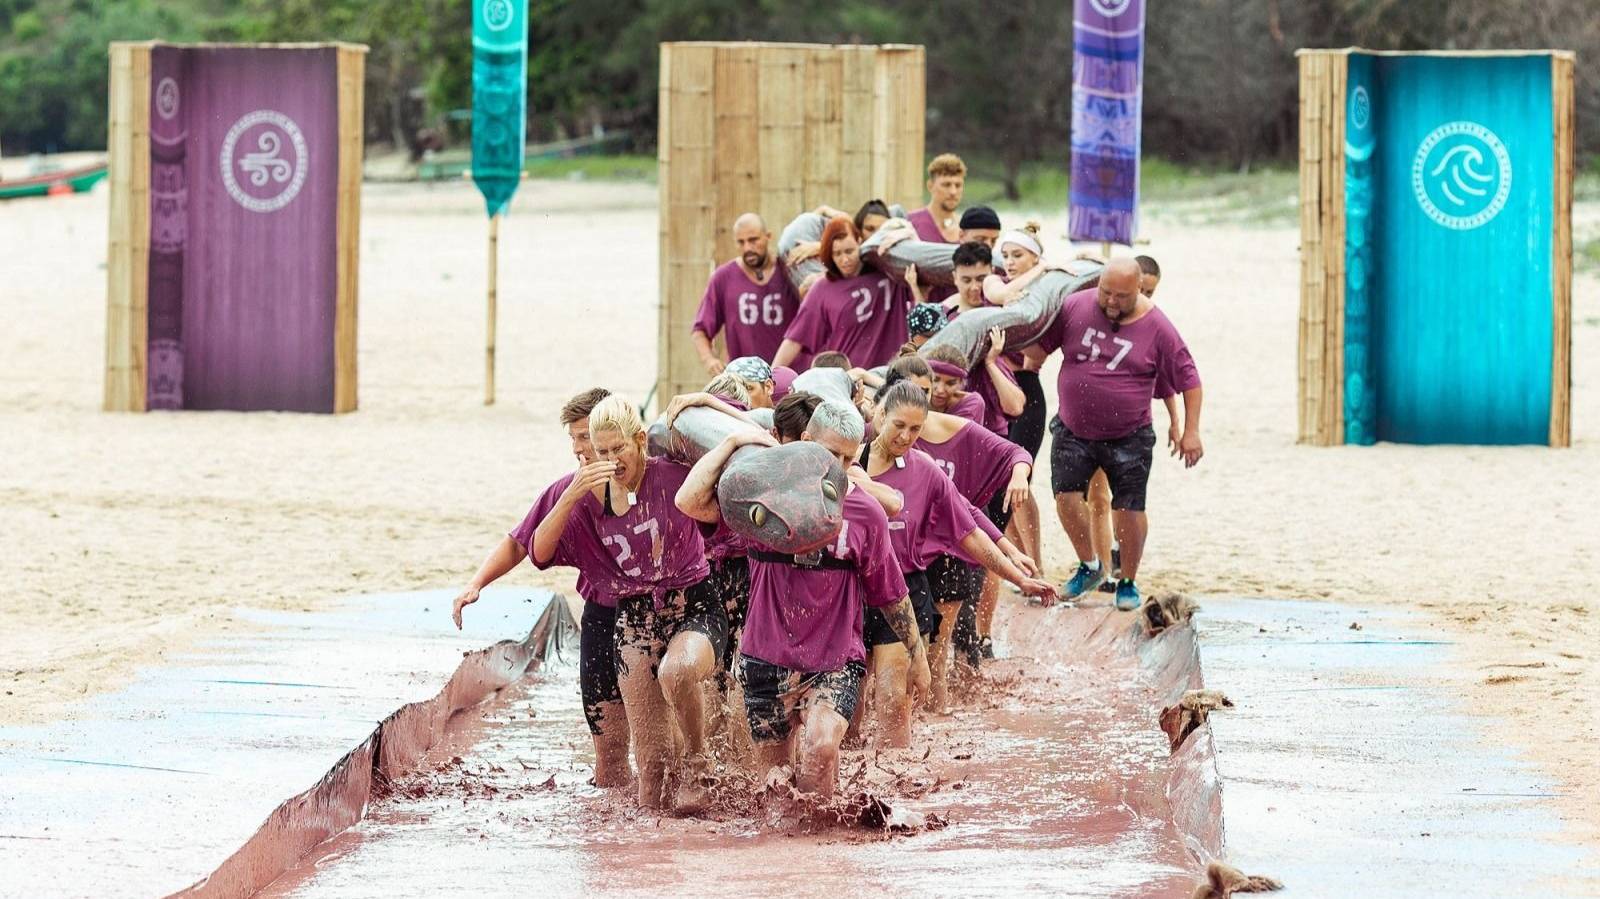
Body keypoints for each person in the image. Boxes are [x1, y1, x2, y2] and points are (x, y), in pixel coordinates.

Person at [675, 402, 926, 801]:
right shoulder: (762, 502)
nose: (840, 466)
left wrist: (919, 658)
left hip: (836, 660)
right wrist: (735, 440)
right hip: (765, 660)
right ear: (805, 442)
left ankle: (824, 858)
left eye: (849, 456)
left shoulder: (864, 512)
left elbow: (891, 593)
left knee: (821, 748)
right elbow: (689, 502)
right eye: (830, 454)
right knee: (775, 787)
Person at [523, 396, 729, 814]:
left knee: (679, 670)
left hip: (693, 604)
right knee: (651, 767)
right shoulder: (583, 493)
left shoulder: (671, 476)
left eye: (620, 449)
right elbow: (538, 553)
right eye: (602, 452)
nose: (612, 460)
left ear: (639, 441)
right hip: (633, 619)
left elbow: (720, 502)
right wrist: (570, 495)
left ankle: (697, 758)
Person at [451, 388, 632, 788]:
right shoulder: (568, 489)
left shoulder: (653, 480)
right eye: (574, 439)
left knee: (660, 741)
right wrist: (476, 583)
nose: (578, 449)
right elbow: (522, 543)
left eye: (585, 437)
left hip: (655, 613)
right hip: (601, 616)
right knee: (608, 753)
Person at [859, 382, 1055, 746]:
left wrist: (1018, 577)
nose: (906, 436)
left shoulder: (925, 470)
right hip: (852, 595)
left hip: (903, 594)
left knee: (892, 703)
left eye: (916, 429)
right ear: (879, 415)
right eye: (899, 425)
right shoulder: (847, 462)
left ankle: (898, 795)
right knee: (852, 719)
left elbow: (969, 528)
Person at [1036, 258, 1204, 611]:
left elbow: (1190, 379)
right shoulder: (1075, 306)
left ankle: (1127, 578)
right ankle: (1090, 565)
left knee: (1128, 509)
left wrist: (1190, 430)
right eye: (1106, 292)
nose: (1111, 301)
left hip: (1129, 434)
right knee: (1066, 499)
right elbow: (1040, 346)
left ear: (1139, 290)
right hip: (1072, 428)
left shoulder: (1158, 326)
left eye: (1121, 296)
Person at [912, 391, 1035, 698]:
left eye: (914, 428)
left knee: (938, 659)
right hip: (905, 564)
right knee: (902, 660)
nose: (907, 436)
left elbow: (968, 510)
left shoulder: (965, 415)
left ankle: (953, 696)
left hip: (953, 555)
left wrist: (1013, 555)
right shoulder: (871, 453)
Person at [971, 231, 1050, 607]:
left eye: (1019, 255)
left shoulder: (1045, 293)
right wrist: (1043, 270)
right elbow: (1001, 297)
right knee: (998, 481)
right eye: (1006, 255)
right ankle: (1006, 560)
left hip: (1026, 386)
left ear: (1033, 256)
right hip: (994, 382)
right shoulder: (994, 280)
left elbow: (1041, 349)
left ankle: (1035, 565)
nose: (1010, 261)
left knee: (1023, 478)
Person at [773, 216, 914, 373]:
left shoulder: (888, 272)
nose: (844, 259)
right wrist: (771, 375)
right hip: (849, 380)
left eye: (849, 251)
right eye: (837, 254)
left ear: (860, 242)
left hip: (892, 376)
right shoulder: (822, 288)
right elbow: (794, 340)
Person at [692, 213, 803, 375]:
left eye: (753, 240)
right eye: (741, 242)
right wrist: (709, 359)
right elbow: (700, 329)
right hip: (746, 381)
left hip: (790, 377)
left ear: (768, 237)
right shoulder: (723, 277)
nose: (747, 248)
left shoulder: (790, 270)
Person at [907, 153, 967, 244]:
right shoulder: (911, 223)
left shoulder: (967, 227)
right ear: (930, 186)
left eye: (958, 185)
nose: (953, 192)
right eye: (946, 185)